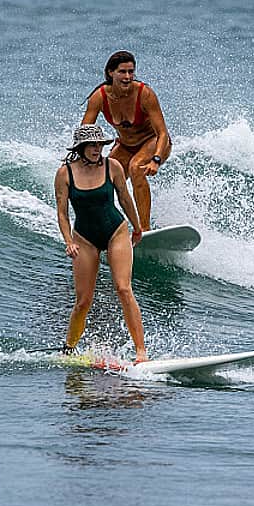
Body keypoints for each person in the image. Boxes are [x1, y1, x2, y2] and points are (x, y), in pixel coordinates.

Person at [54, 123, 148, 362]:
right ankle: (69, 348)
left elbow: (125, 199)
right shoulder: (65, 173)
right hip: (84, 238)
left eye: (100, 144)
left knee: (123, 288)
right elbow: (62, 213)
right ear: (81, 147)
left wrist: (137, 227)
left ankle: (141, 352)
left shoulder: (112, 166)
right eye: (92, 145)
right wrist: (68, 241)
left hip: (115, 231)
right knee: (83, 301)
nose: (97, 149)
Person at [81, 50, 171, 231]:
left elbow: (162, 133)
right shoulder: (99, 97)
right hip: (125, 145)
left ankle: (144, 230)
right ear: (110, 73)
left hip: (154, 142)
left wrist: (156, 160)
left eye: (131, 72)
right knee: (105, 178)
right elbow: (85, 133)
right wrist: (80, 160)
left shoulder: (145, 94)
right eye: (122, 72)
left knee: (136, 167)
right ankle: (105, 227)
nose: (128, 76)